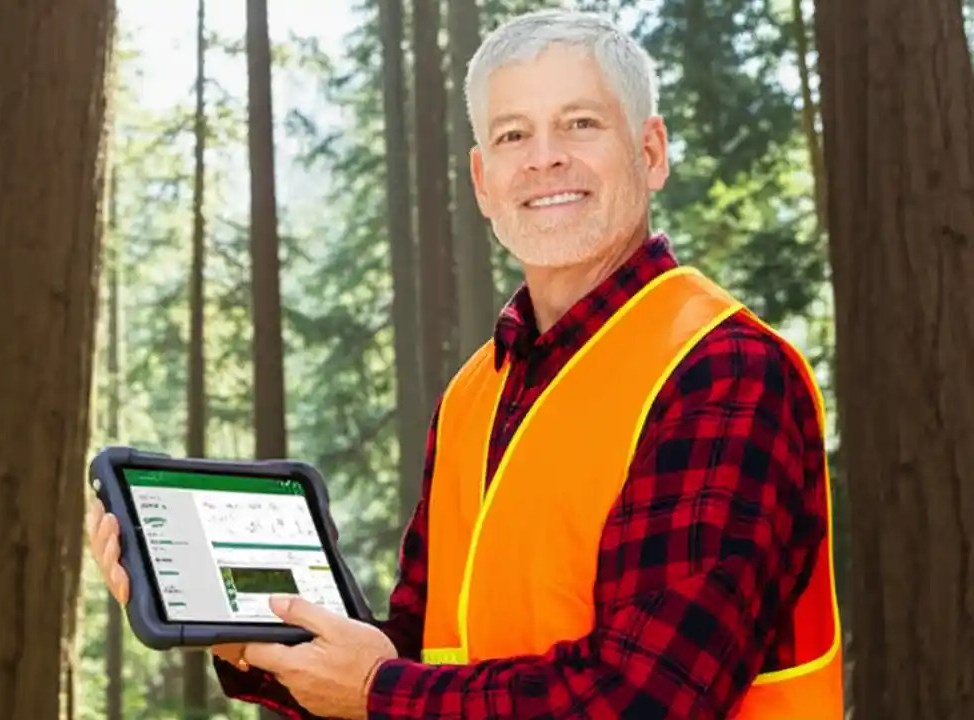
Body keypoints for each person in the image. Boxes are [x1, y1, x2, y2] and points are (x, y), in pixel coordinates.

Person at [86, 8, 843, 719]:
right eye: (513, 135)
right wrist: (247, 639)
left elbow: (645, 695)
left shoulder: (727, 370)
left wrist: (378, 693)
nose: (545, 157)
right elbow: (420, 654)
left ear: (650, 153)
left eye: (579, 123)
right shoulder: (477, 392)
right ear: (483, 181)